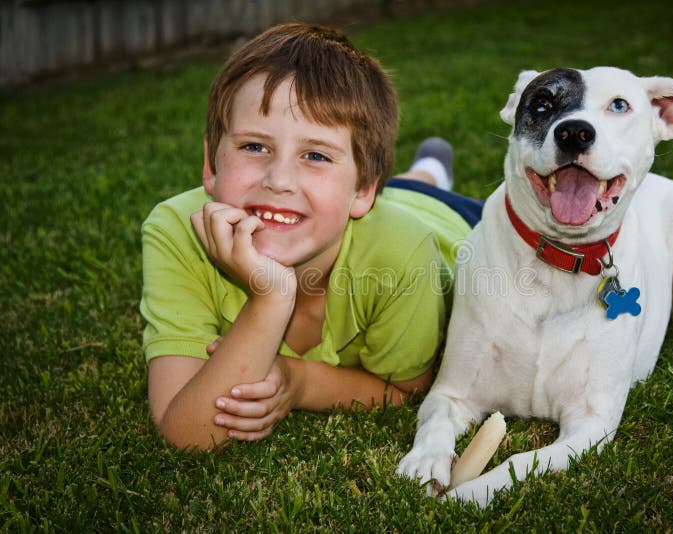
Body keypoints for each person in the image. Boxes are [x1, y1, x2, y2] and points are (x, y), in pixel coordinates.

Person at [140, 22, 483, 451]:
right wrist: (271, 297)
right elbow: (189, 432)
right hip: (350, 208)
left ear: (363, 190)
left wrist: (300, 382)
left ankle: (430, 172)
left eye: (316, 155)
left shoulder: (403, 254)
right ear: (211, 163)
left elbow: (406, 390)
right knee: (396, 189)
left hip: (452, 222)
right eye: (254, 147)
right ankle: (426, 169)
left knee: (418, 192)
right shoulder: (176, 231)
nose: (278, 179)